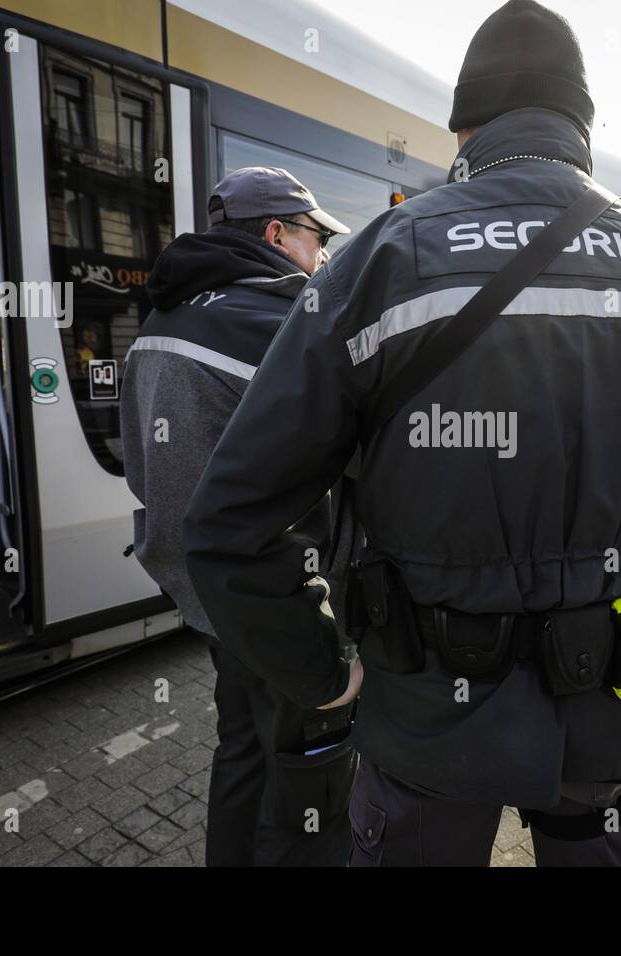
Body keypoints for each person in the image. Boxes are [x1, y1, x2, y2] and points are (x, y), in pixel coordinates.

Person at [182, 0, 621, 867]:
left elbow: (229, 524)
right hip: (609, 719)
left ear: (463, 127)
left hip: (427, 725)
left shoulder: (379, 260)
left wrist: (326, 673)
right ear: (584, 126)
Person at [119, 165, 354, 867]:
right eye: (316, 237)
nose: (323, 254)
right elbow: (341, 472)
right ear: (278, 233)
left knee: (243, 748)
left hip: (211, 601)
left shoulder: (159, 320)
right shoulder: (281, 324)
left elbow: (141, 467)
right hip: (289, 601)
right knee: (310, 772)